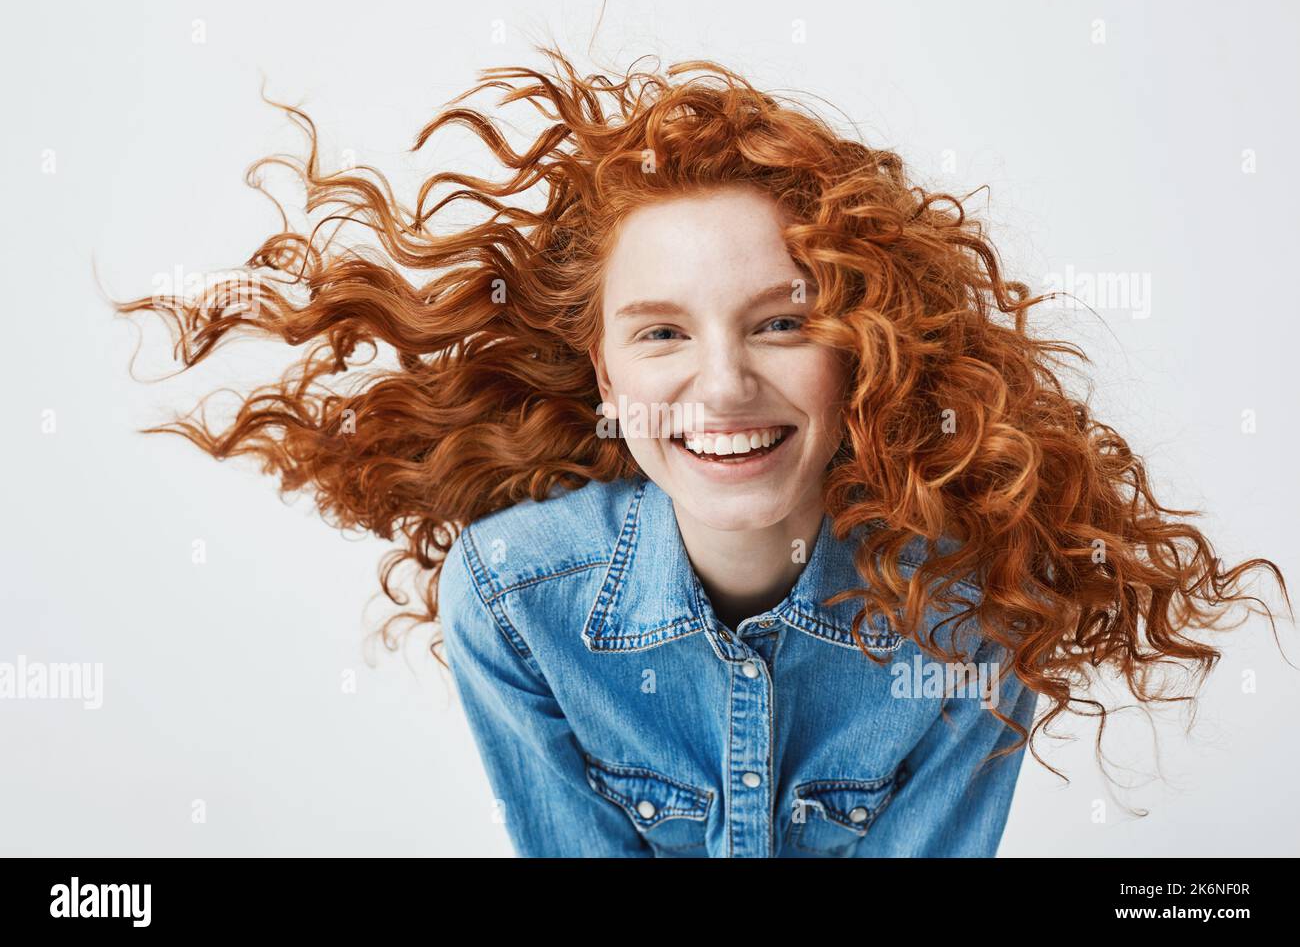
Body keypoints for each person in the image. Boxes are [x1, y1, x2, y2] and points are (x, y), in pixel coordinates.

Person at [113, 47, 1290, 857]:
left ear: (860, 353)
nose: (722, 383)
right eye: (663, 333)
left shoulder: (975, 607)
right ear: (606, 375)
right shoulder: (514, 597)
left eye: (781, 323)